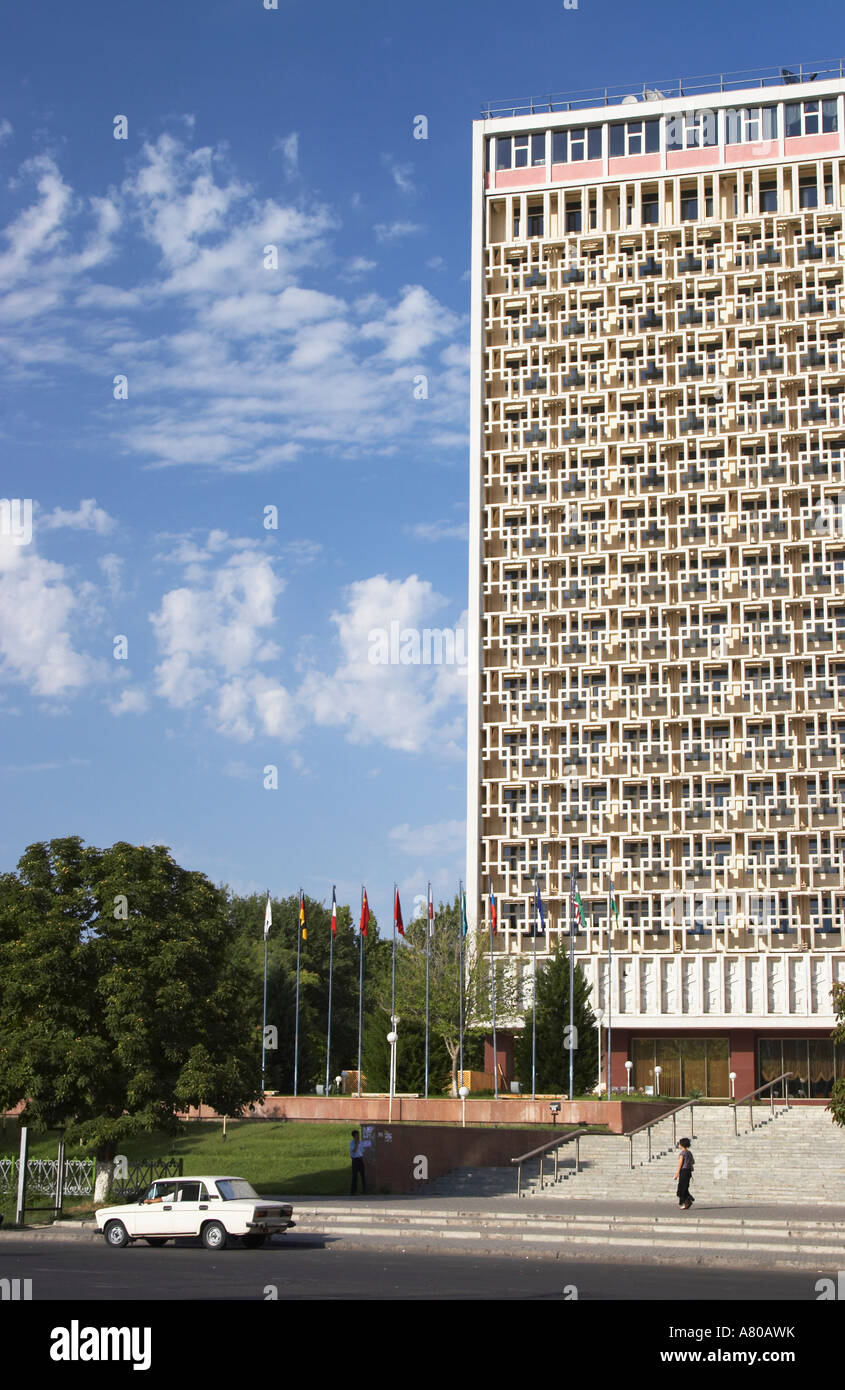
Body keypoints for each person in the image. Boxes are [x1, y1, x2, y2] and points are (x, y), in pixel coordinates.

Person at [674, 1137, 695, 1210]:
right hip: (688, 1171)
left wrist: (677, 1174)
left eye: (679, 1143)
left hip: (683, 1171)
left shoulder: (682, 1153)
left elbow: (680, 1164)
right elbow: (693, 1162)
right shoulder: (689, 1153)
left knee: (681, 1188)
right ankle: (688, 1200)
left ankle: (686, 1201)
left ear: (682, 1144)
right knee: (685, 1187)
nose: (679, 1145)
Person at [349, 1130, 368, 1195]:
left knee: (363, 1175)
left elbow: (362, 1151)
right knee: (355, 1176)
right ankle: (353, 1191)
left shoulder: (361, 1142)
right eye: (357, 1135)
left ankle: (364, 1190)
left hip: (360, 1159)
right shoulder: (351, 1143)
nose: (358, 1136)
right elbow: (353, 1151)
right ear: (354, 1136)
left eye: (358, 1135)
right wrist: (356, 1144)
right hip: (355, 1160)